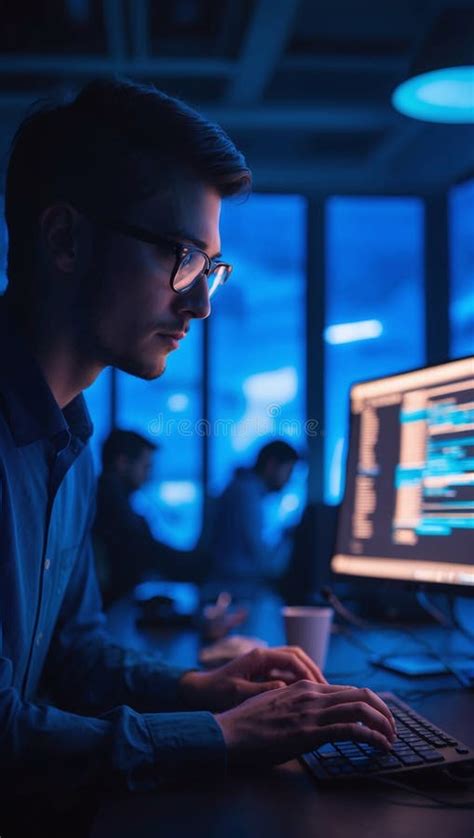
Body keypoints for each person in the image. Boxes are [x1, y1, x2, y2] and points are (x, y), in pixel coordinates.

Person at [0, 78, 396, 822]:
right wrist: (218, 736)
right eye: (181, 257)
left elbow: (73, 654)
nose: (201, 303)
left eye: (210, 268)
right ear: (64, 240)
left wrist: (199, 690)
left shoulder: (71, 444)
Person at [93, 428, 195, 606]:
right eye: (146, 467)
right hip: (110, 606)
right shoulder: (109, 498)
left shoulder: (111, 494)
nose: (149, 476)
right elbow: (145, 550)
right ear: (122, 463)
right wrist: (198, 565)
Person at [208, 440, 299, 591]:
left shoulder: (244, 489)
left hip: (235, 585)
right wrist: (287, 539)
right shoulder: (246, 494)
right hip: (236, 587)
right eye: (288, 471)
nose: (289, 480)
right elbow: (260, 557)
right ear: (271, 465)